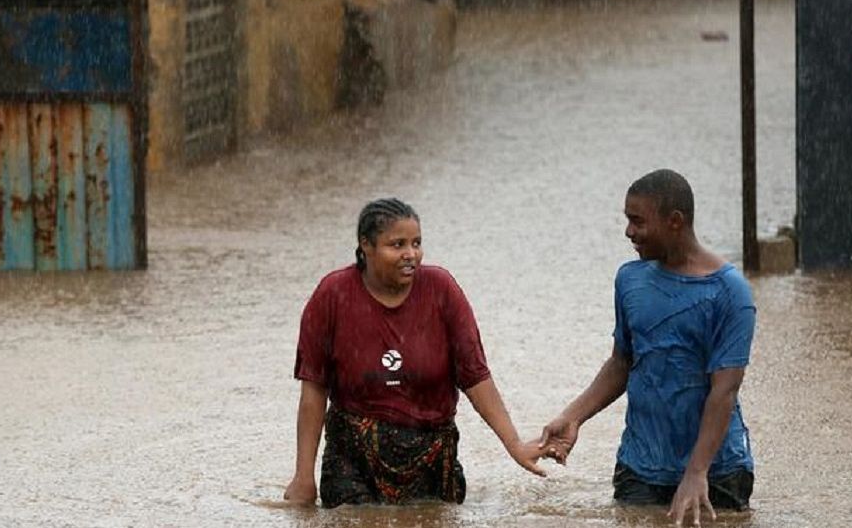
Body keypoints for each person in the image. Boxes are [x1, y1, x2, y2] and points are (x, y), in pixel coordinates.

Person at [284, 198, 547, 508]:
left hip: (432, 459)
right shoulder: (333, 295)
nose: (411, 255)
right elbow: (314, 391)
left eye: (416, 243)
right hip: (352, 463)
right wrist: (303, 477)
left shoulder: (442, 290)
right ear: (366, 246)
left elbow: (475, 377)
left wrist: (514, 445)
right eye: (397, 245)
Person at [539, 169, 756, 526]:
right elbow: (622, 362)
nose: (628, 232)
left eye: (637, 221)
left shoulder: (730, 292)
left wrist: (696, 472)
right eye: (627, 220)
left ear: (674, 221)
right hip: (640, 469)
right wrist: (574, 416)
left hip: (717, 472)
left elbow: (725, 389)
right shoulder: (630, 279)